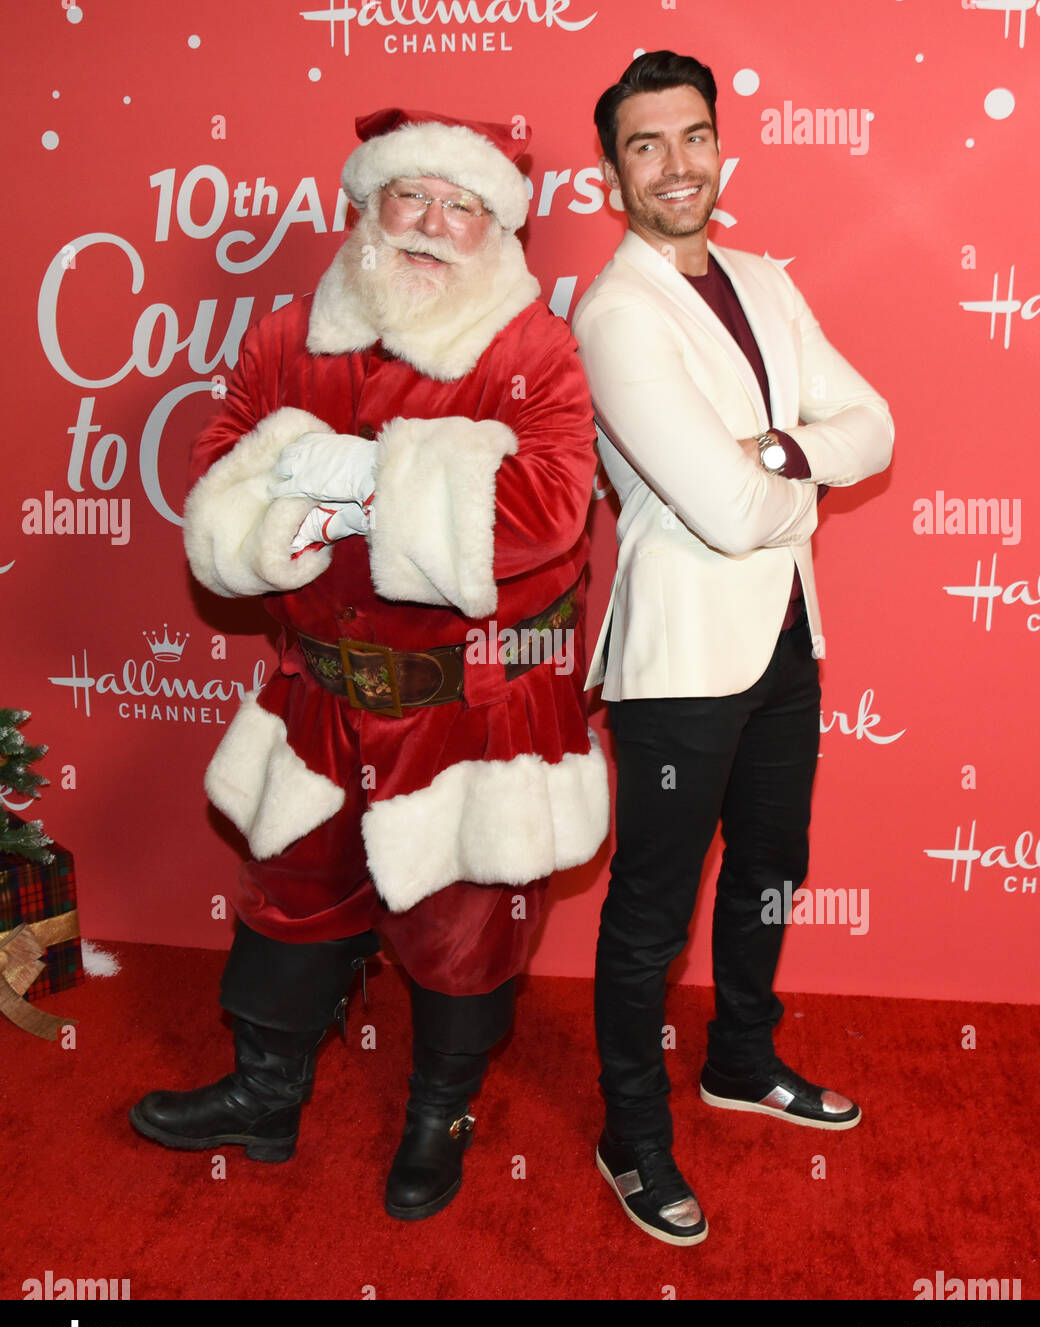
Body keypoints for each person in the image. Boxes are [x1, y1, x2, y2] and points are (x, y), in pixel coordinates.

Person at [130, 108, 608, 1222]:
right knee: (283, 902)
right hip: (318, 694)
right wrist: (272, 508)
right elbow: (219, 470)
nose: (432, 225)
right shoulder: (288, 333)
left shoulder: (532, 346)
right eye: (411, 198)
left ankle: (439, 1115)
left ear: (495, 226)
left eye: (461, 205)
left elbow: (545, 513)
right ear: (367, 207)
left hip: (462, 714)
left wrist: (372, 480)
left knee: (460, 930)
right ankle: (265, 1093)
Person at [572, 52, 894, 1245]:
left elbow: (877, 423)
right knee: (651, 910)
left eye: (690, 136)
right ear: (611, 172)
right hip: (681, 663)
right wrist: (789, 464)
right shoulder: (609, 313)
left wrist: (773, 456)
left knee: (770, 861)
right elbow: (721, 509)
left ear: (720, 147)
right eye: (645, 145)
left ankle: (740, 1058)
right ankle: (631, 1133)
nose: (674, 164)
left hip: (785, 636)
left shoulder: (764, 280)